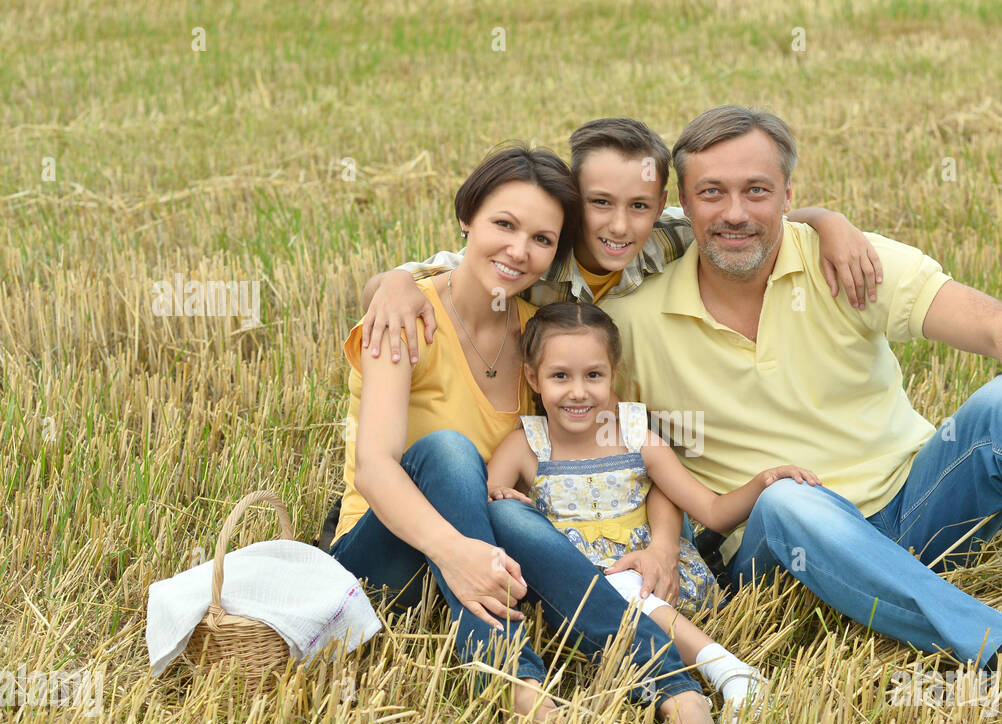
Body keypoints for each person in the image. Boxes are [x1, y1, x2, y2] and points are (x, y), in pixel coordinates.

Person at [599, 105, 1002, 707]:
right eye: (712, 193)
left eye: (757, 191)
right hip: (781, 552)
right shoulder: (628, 324)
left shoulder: (849, 262)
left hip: (914, 511)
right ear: (681, 205)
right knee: (787, 495)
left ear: (789, 197)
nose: (735, 212)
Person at [357, 117, 882, 607]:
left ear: (659, 209)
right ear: (571, 207)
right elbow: (456, 266)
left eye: (639, 207)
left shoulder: (668, 239)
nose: (620, 225)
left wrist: (826, 221)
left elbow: (744, 222)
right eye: (599, 203)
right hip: (452, 497)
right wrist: (395, 282)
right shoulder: (534, 266)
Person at [327, 145, 720, 724]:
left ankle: (678, 692)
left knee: (509, 509)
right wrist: (453, 550)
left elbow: (632, 451)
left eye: (541, 239)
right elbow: (376, 470)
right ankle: (520, 684)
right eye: (503, 225)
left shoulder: (545, 338)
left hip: (499, 564)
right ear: (468, 220)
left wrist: (825, 223)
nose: (518, 251)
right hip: (390, 557)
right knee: (450, 452)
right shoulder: (407, 319)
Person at [486, 301, 820, 717]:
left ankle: (731, 675)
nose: (578, 391)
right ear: (533, 378)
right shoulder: (525, 446)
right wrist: (503, 495)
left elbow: (712, 511)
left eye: (594, 375)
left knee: (627, 584)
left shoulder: (635, 438)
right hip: (576, 596)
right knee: (613, 585)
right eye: (560, 376)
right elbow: (490, 508)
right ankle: (732, 673)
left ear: (614, 374)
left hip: (654, 582)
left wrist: (762, 483)